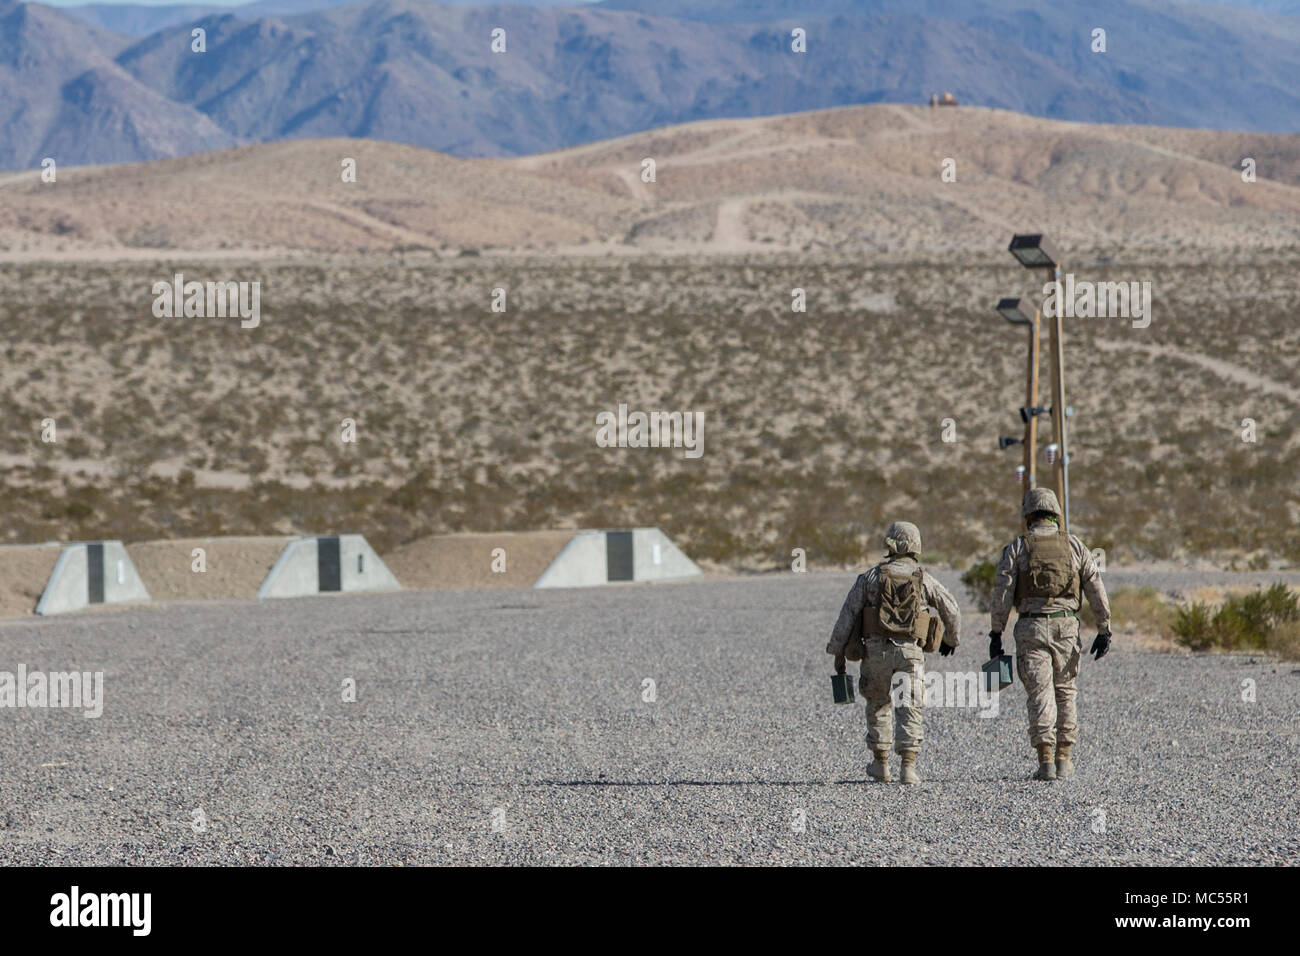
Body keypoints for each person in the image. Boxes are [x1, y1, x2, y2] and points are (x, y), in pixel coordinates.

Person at [989, 488, 1111, 781]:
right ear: (1055, 514)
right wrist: (1104, 627)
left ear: (1029, 516)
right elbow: (1095, 586)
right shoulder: (1075, 545)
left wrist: (996, 631)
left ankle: (1045, 761)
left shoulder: (1018, 547)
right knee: (1065, 691)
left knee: (1040, 693)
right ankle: (1064, 759)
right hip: (1066, 628)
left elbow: (1003, 592)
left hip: (1031, 627)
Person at [826, 521, 961, 784]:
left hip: (876, 652)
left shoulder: (870, 577)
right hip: (910, 652)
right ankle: (908, 767)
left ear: (890, 544)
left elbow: (847, 616)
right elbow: (952, 609)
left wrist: (837, 652)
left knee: (878, 703)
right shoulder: (924, 578)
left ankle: (881, 764)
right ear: (915, 545)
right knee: (910, 705)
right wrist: (951, 639)